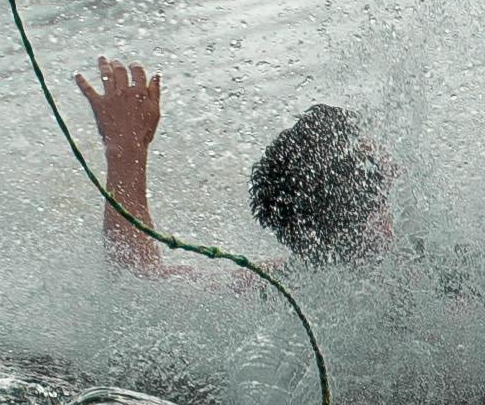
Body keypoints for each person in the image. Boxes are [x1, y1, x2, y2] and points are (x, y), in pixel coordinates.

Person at [76, 57, 393, 273]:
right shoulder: (282, 285)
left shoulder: (288, 285)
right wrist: (125, 150)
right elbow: (138, 287)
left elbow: (140, 281)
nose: (396, 166)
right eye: (380, 159)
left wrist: (126, 154)